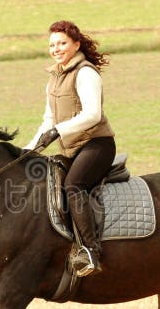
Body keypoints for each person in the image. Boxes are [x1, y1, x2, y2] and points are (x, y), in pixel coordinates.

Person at [25, 20, 116, 276]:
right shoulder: (54, 78)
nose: (56, 49)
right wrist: (28, 151)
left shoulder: (86, 73)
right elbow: (48, 120)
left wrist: (59, 130)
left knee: (73, 185)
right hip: (71, 149)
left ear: (76, 45)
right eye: (52, 45)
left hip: (97, 144)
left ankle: (90, 252)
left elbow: (92, 114)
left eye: (62, 43)